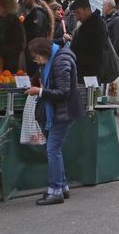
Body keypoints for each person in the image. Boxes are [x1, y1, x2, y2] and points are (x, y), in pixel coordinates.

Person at [26, 37, 85, 206]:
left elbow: (63, 92)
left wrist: (40, 91)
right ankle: (62, 186)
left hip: (63, 112)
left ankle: (56, 190)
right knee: (54, 149)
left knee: (53, 149)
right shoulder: (54, 58)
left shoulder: (61, 61)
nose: (36, 61)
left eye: (36, 57)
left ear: (43, 53)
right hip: (58, 112)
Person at [69, 0, 107, 84]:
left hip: (89, 74)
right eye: (75, 14)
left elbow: (95, 53)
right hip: (85, 72)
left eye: (78, 13)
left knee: (89, 93)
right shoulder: (88, 24)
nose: (77, 17)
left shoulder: (95, 26)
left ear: (88, 10)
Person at [0, 0, 26, 72]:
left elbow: (20, 44)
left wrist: (0, 48)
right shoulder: (0, 19)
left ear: (5, 7)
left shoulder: (14, 21)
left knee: (7, 77)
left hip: (10, 60)